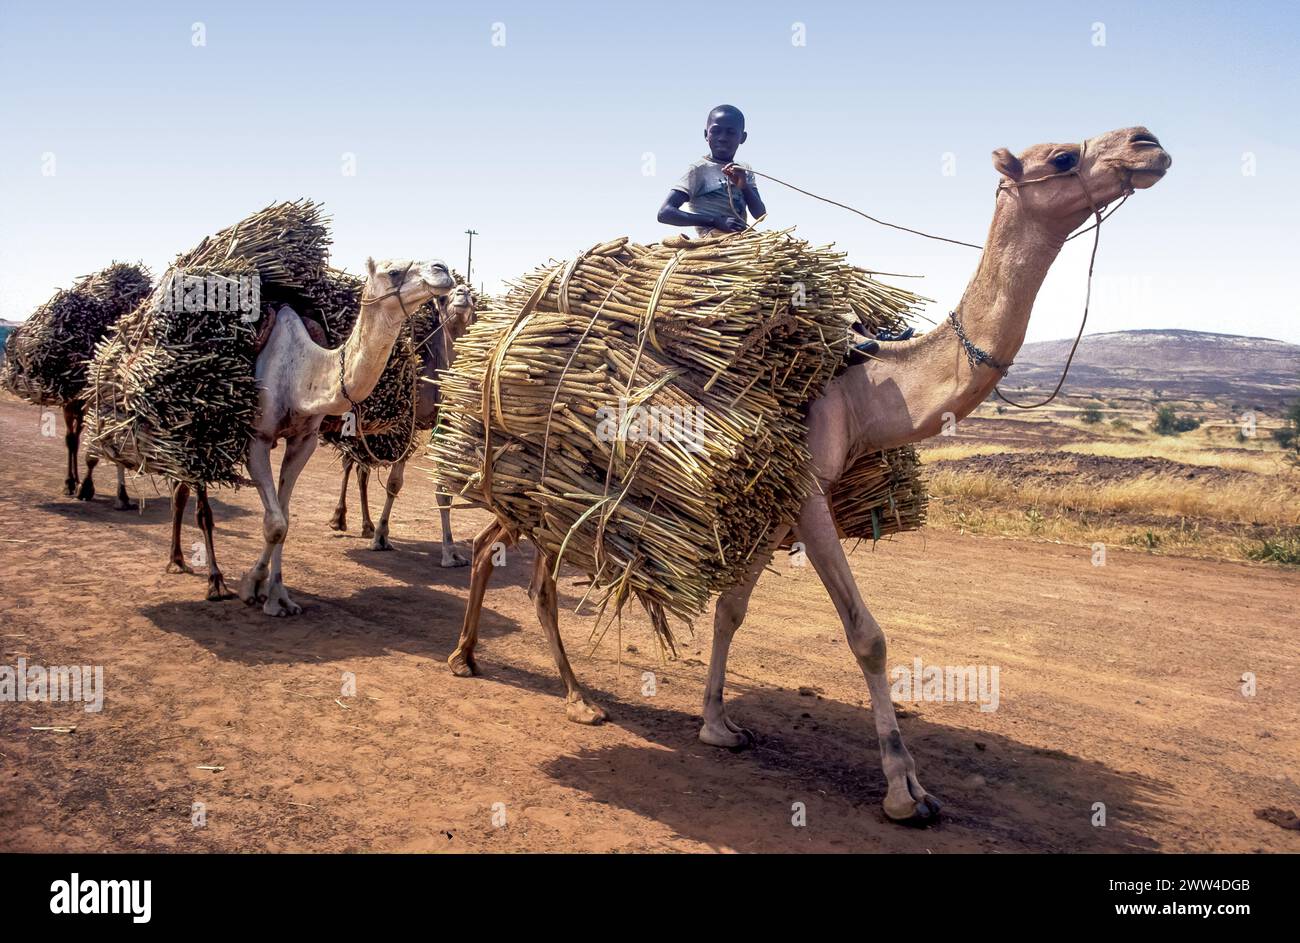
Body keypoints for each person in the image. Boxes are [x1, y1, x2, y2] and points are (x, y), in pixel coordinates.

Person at [657, 104, 765, 237]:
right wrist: (714, 221)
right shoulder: (699, 170)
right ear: (706, 134)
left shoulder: (743, 169)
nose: (723, 138)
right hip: (713, 239)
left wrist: (744, 187)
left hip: (741, 238)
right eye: (716, 131)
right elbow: (665, 213)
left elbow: (760, 214)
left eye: (730, 132)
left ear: (742, 138)